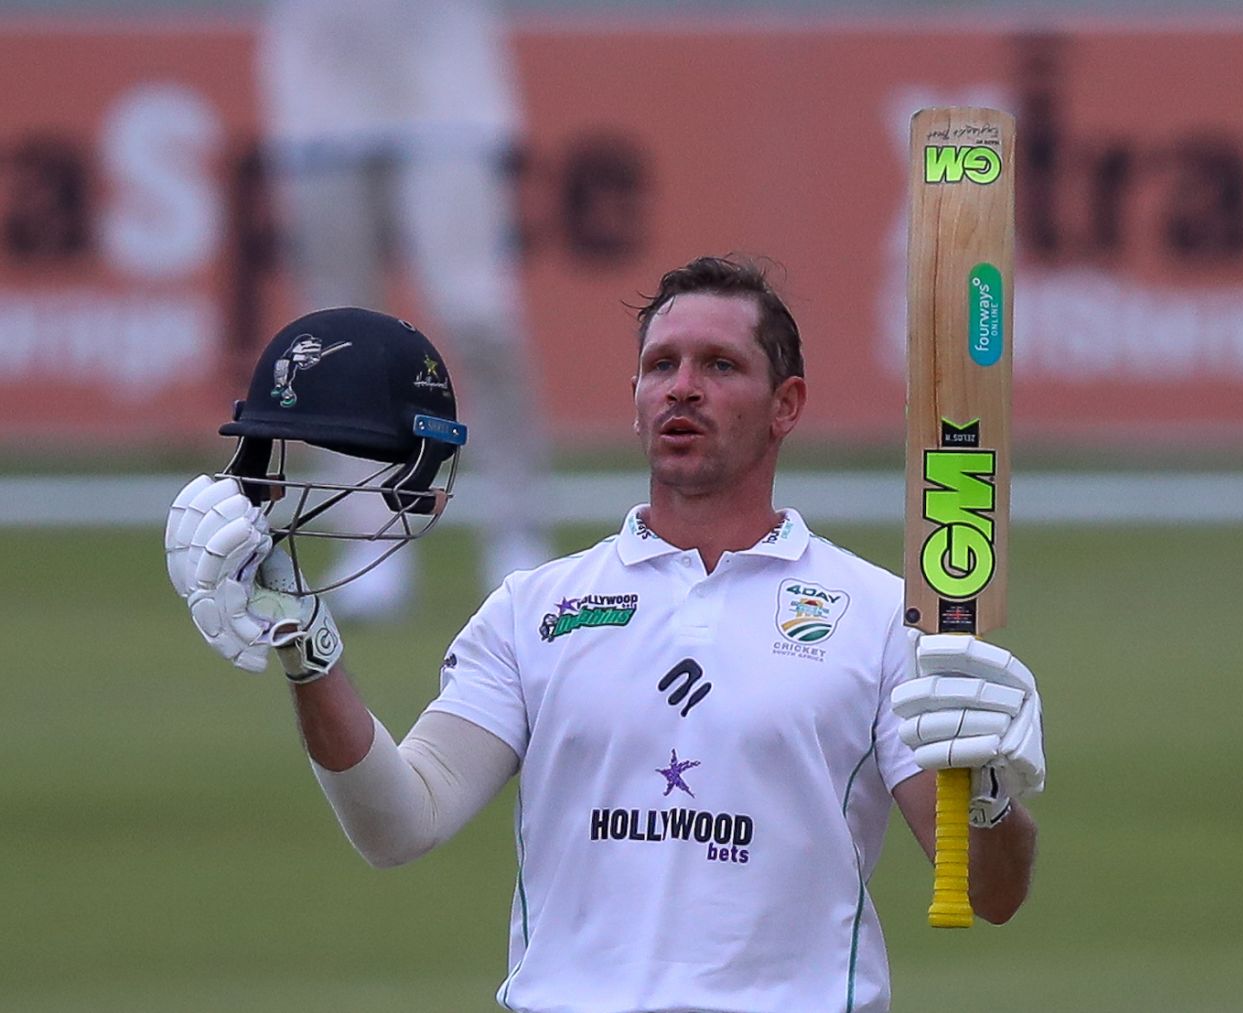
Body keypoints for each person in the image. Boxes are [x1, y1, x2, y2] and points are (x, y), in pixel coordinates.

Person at [166, 257, 1045, 1013]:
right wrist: (309, 652)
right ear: (635, 399)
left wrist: (993, 791)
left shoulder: (878, 616)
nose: (683, 385)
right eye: (660, 364)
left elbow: (988, 892)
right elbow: (399, 822)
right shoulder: (534, 608)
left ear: (787, 405)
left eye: (720, 364)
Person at [257, 0, 551, 613]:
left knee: (476, 311)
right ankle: (368, 535)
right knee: (335, 333)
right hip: (321, 92)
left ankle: (516, 526)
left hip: (446, 89)